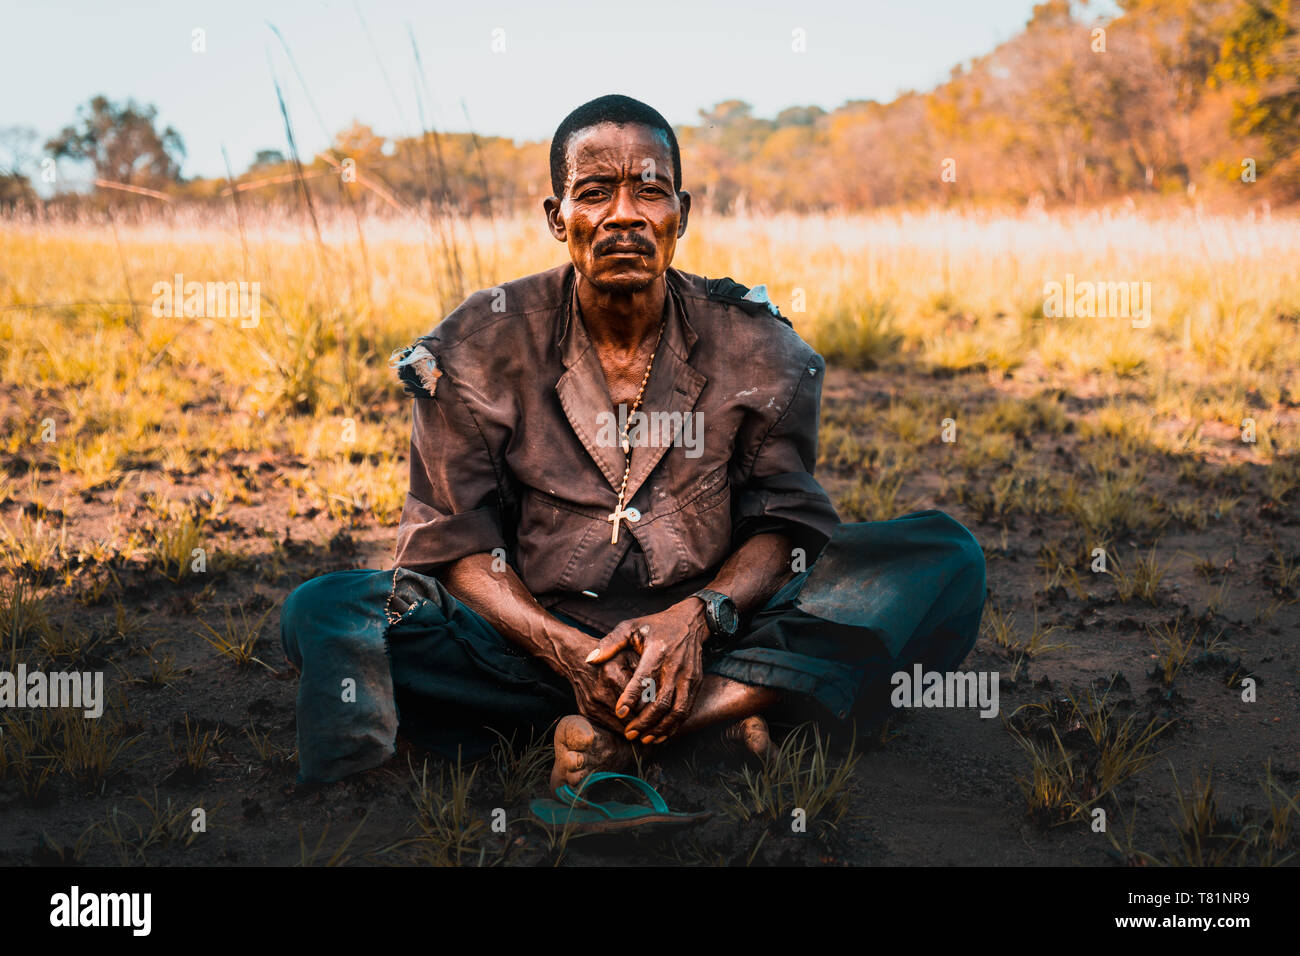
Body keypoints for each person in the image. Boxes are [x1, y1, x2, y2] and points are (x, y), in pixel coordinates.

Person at [280, 94, 986, 793]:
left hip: (716, 639)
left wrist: (696, 619)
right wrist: (571, 652)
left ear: (680, 213)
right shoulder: (476, 345)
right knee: (327, 610)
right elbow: (455, 544)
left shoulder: (762, 347)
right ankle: (740, 708)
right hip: (528, 650)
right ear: (557, 219)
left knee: (940, 557)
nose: (624, 215)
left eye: (649, 192)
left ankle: (680, 715)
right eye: (593, 193)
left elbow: (783, 527)